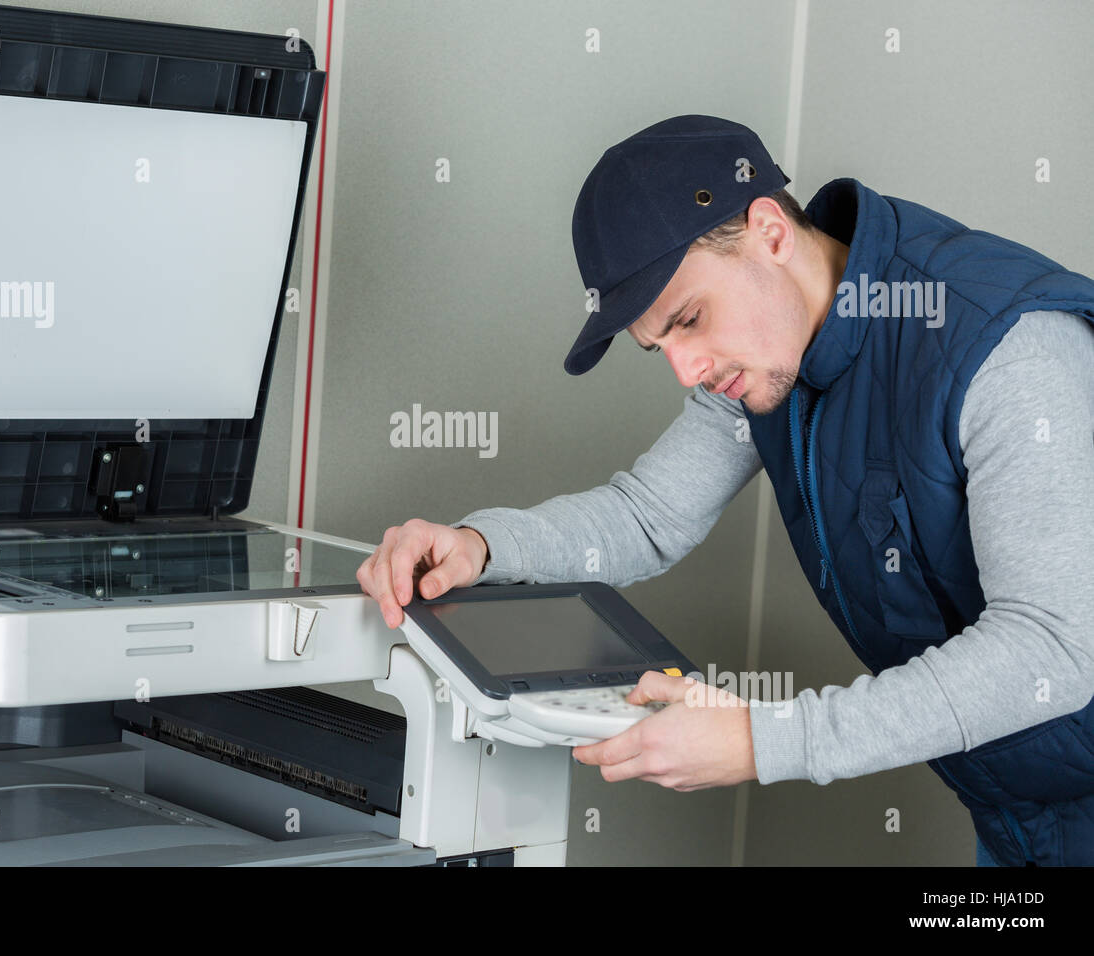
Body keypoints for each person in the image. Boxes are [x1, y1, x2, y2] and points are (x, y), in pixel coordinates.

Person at [355, 115, 1094, 866]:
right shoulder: (763, 363)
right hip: (1019, 817)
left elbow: (1052, 649)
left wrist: (758, 740)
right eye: (660, 345)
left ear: (769, 232)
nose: (686, 369)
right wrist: (483, 545)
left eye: (690, 320)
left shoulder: (1009, 349)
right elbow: (648, 517)